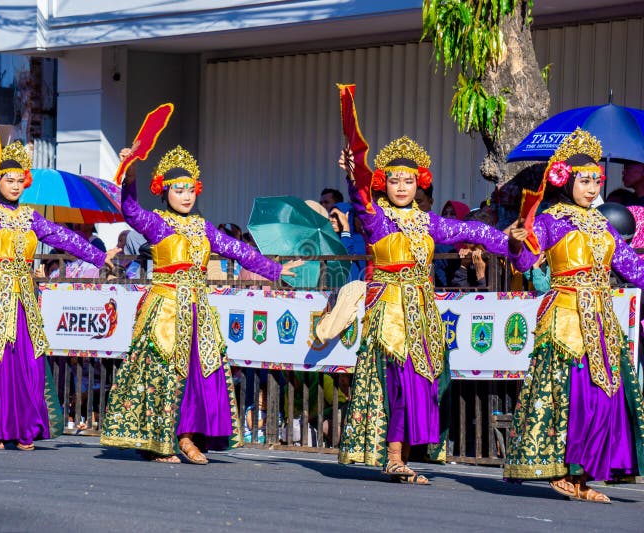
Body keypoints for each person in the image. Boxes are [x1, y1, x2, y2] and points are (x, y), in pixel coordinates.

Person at [101, 145, 302, 464]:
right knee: (163, 374)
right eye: (178, 190)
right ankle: (159, 442)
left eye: (190, 189)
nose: (186, 196)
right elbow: (130, 211)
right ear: (164, 191)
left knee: (200, 374)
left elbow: (237, 249)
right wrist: (131, 177)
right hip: (166, 309)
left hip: (197, 310)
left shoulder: (202, 227)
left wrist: (274, 269)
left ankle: (187, 437)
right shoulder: (157, 223)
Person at [336, 137, 521, 484]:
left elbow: (471, 230)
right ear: (383, 183)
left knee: (421, 385)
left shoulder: (429, 222)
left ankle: (403, 459)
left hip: (422, 315)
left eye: (408, 181)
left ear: (418, 183)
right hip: (391, 314)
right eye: (394, 180)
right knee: (399, 384)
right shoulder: (378, 219)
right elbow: (360, 199)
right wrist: (353, 174)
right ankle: (393, 457)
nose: (401, 187)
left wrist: (509, 242)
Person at [0, 140, 117, 450]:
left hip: (23, 301)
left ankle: (23, 428)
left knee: (27, 363)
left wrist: (99, 256)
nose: (16, 186)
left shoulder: (31, 218)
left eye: (20, 180)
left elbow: (64, 236)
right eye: (10, 180)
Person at [504, 129, 644, 503]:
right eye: (584, 180)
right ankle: (562, 471)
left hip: (601, 322)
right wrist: (516, 243)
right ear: (566, 181)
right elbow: (525, 260)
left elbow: (633, 268)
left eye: (596, 180)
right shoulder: (550, 219)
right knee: (572, 399)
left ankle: (582, 478)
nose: (591, 187)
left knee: (602, 400)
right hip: (565, 320)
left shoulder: (603, 224)